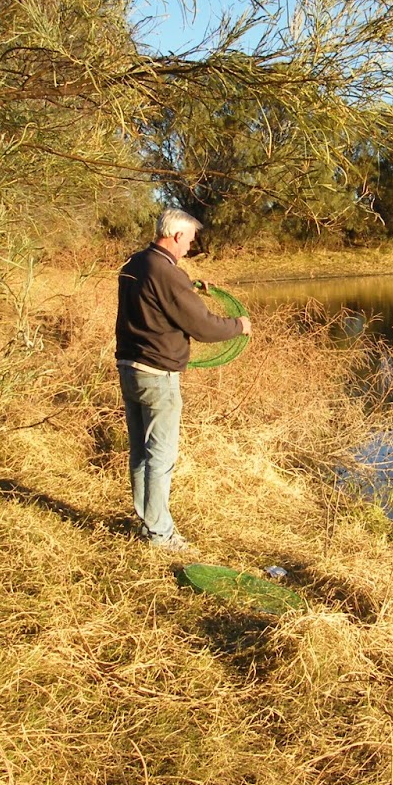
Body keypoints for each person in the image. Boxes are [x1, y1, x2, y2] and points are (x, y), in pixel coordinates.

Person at [114, 207, 251, 552]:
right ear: (176, 236)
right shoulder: (168, 273)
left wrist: (191, 285)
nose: (190, 246)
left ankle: (148, 522)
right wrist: (239, 325)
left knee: (140, 453)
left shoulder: (135, 263)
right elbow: (203, 327)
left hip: (129, 369)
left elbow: (158, 294)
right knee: (160, 457)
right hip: (157, 377)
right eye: (189, 240)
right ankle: (160, 533)